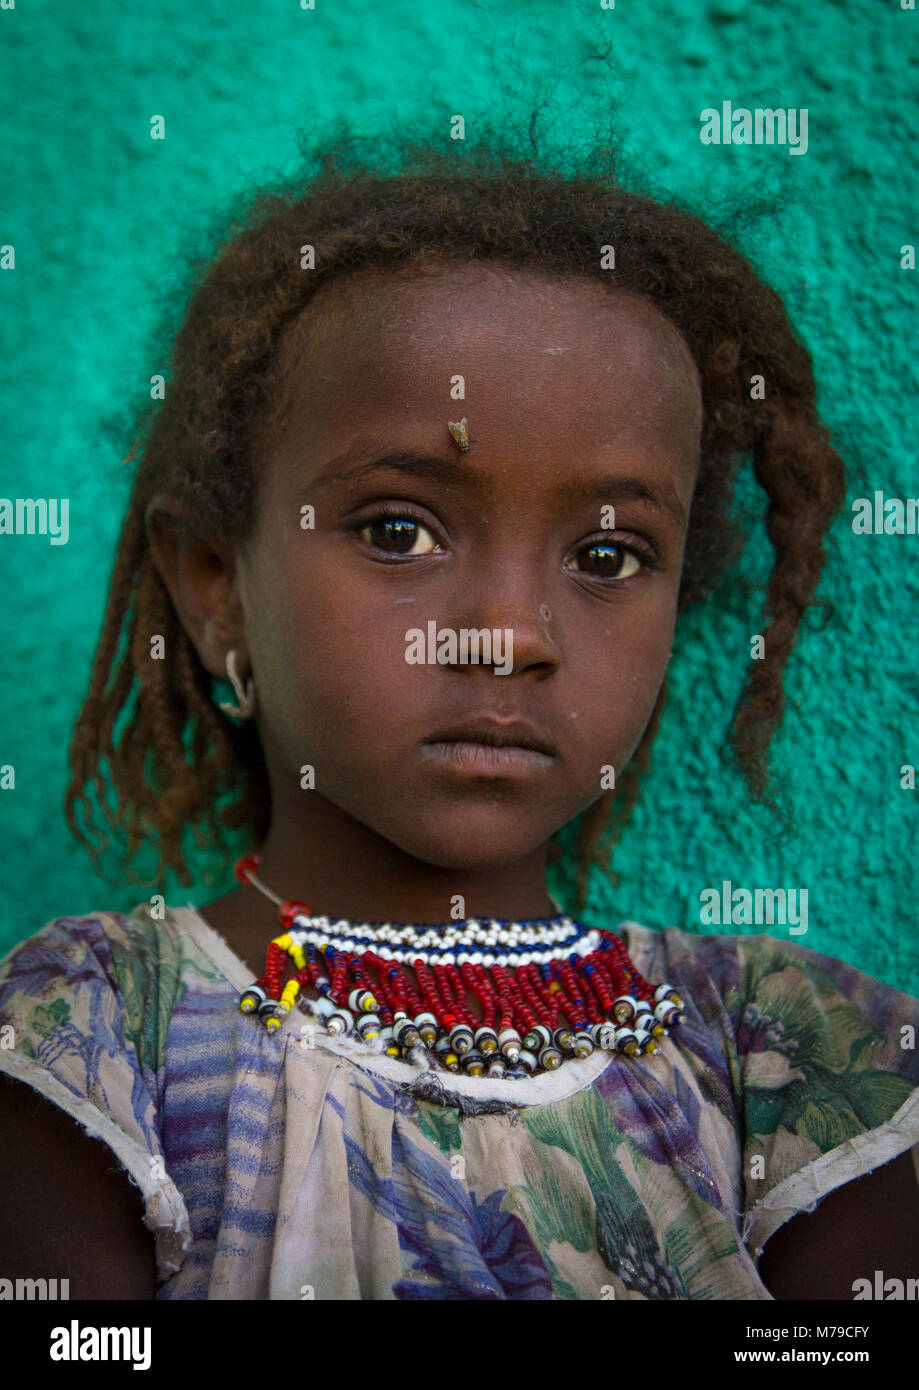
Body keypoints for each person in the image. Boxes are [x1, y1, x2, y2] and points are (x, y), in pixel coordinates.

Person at [1, 135, 917, 1302]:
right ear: (214, 583)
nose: (510, 633)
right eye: (398, 531)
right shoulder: (92, 1031)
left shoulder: (786, 1051)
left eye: (605, 553)